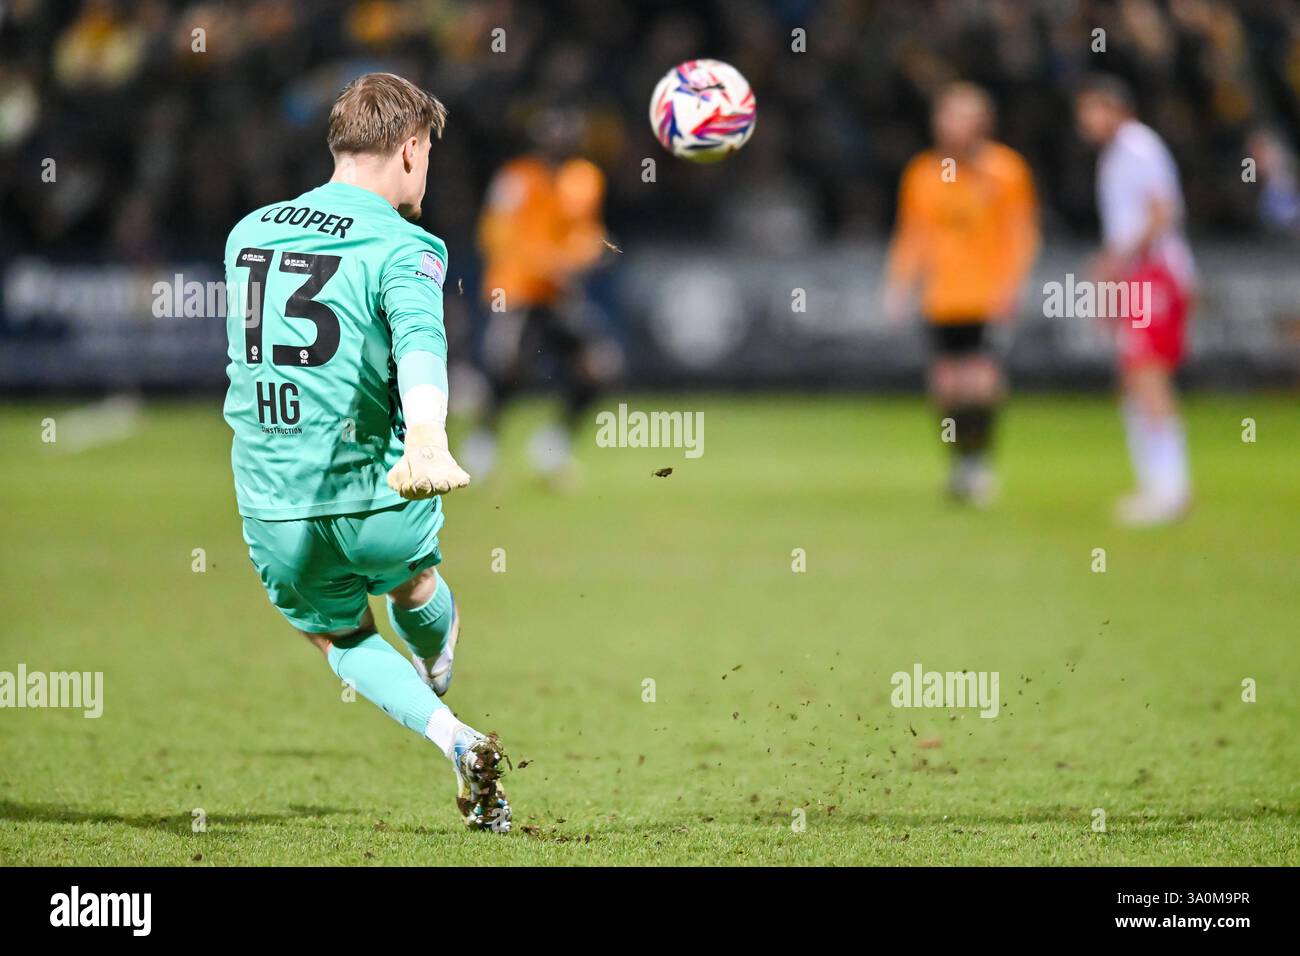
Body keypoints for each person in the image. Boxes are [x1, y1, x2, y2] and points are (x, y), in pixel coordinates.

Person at [221, 72, 509, 831]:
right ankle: (438, 655)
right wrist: (426, 435)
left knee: (338, 634)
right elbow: (420, 341)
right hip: (382, 492)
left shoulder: (246, 233)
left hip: (274, 504)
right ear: (411, 148)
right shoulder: (405, 243)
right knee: (413, 583)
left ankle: (454, 736)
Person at [884, 82, 1039, 506]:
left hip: (986, 296)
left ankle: (980, 463)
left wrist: (1012, 285)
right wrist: (898, 284)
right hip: (941, 296)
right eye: (946, 115)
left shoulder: (1005, 170)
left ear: (981, 123)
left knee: (981, 380)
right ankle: (959, 464)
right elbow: (912, 235)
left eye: (962, 116)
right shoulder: (922, 173)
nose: (951, 125)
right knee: (945, 384)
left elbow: (1022, 233)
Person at [462, 105, 613, 487]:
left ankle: (552, 448)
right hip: (516, 291)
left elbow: (586, 234)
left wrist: (589, 252)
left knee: (596, 368)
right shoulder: (516, 177)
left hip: (557, 294)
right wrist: (544, 261)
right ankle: (480, 448)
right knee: (510, 369)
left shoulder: (584, 179)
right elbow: (494, 233)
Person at [1076, 75, 1196, 525]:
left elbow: (1163, 211)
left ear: (1115, 108)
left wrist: (1115, 261)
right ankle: (1158, 484)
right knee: (1134, 378)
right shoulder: (1116, 156)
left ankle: (1171, 489)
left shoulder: (1137, 148)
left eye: (1093, 110)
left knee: (1148, 375)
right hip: (1138, 275)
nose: (1086, 122)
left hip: (1155, 273)